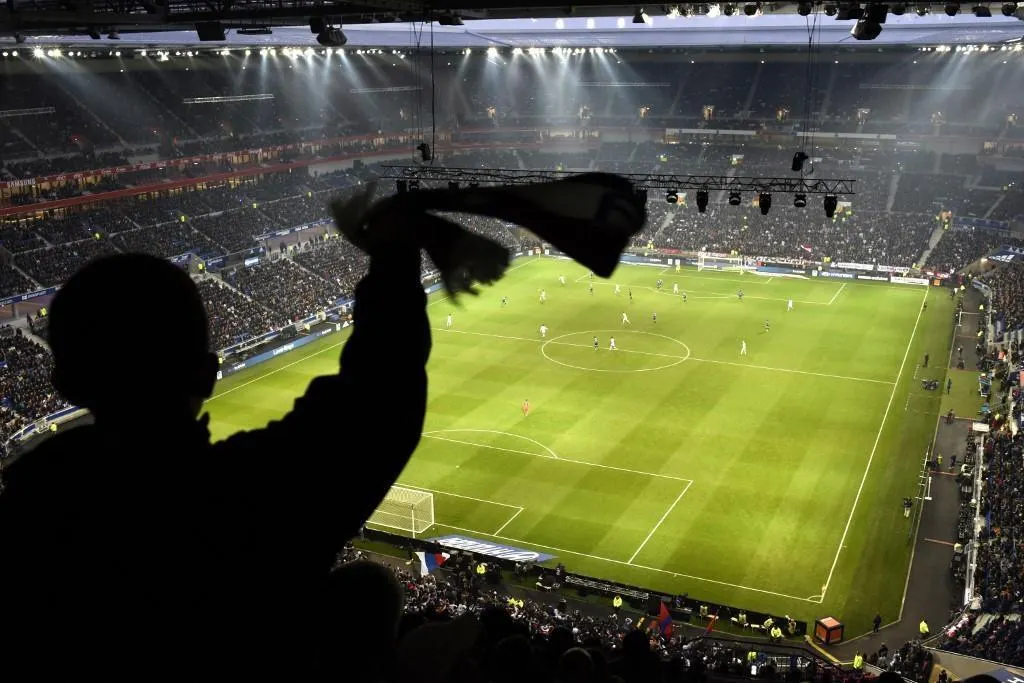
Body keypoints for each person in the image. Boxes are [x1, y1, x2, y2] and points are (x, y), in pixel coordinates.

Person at [0, 248, 432, 678]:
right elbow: (382, 401)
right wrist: (395, 251)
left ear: (64, 384)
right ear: (207, 373)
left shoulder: (26, 521)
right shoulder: (247, 498)